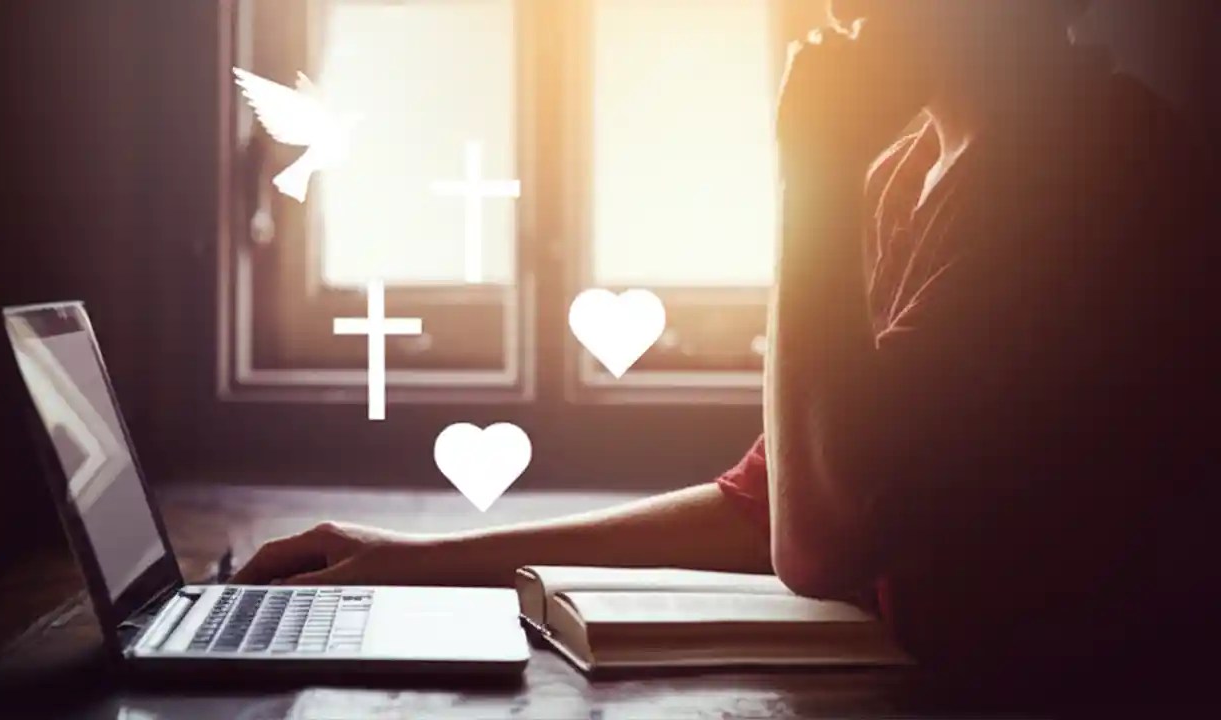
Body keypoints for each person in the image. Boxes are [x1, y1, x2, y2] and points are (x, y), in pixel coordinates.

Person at [234, 0, 1217, 691]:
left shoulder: (1093, 169)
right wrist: (420, 559)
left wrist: (813, 174)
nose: (835, 8)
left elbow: (819, 541)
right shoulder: (912, 169)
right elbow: (768, 504)